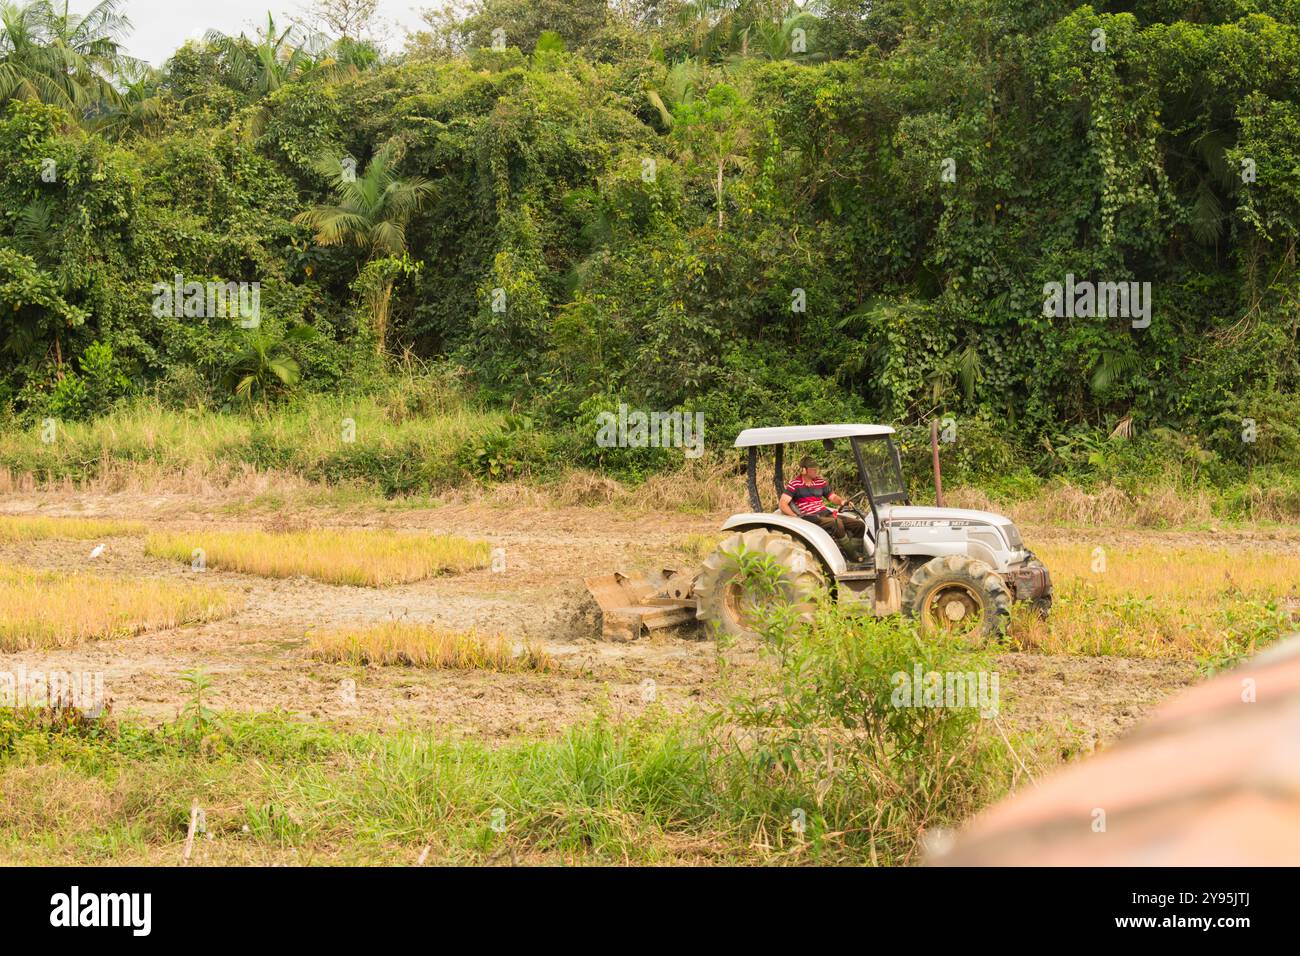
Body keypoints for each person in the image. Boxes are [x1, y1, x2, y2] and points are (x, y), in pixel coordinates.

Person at [779, 455, 868, 561]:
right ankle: (852, 555)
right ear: (803, 470)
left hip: (824, 513)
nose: (815, 470)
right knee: (837, 523)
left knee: (859, 525)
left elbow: (832, 497)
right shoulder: (795, 484)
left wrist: (842, 501)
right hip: (810, 517)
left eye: (815, 467)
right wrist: (795, 517)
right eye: (812, 468)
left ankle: (856, 553)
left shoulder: (820, 482)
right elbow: (783, 503)